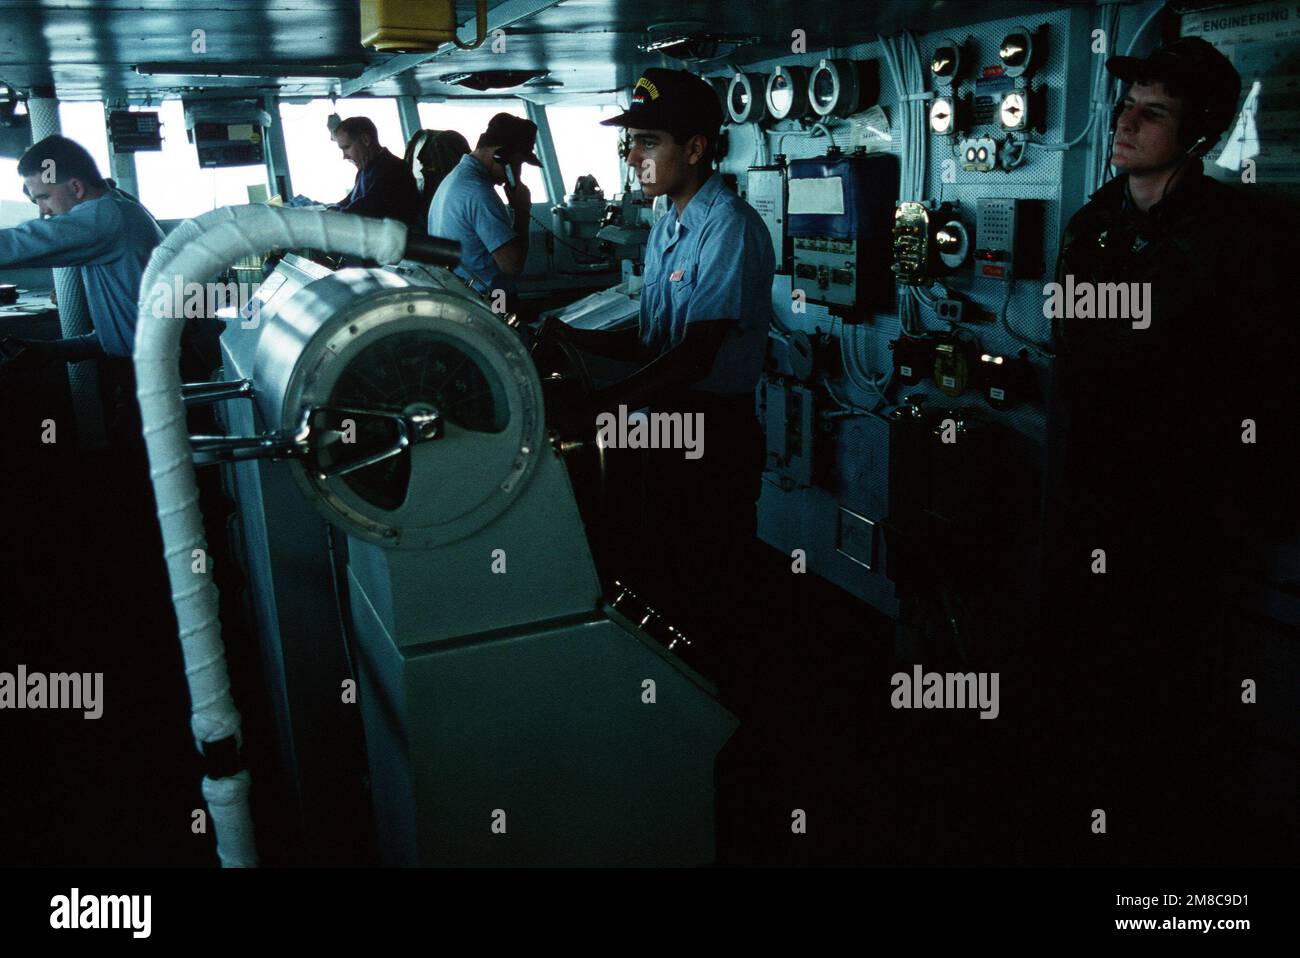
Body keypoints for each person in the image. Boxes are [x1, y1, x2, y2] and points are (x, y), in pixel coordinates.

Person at [1045, 36, 1289, 860]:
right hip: (1092, 489)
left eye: (1153, 113)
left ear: (1200, 134)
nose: (1126, 123)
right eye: (1125, 106)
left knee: (1172, 684)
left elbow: (1256, 371)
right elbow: (1079, 343)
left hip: (1182, 507)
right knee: (1089, 668)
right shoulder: (1092, 223)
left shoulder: (1241, 233)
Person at [535, 68, 775, 683]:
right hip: (663, 423)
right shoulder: (669, 222)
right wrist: (567, 335)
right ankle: (667, 695)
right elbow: (652, 342)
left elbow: (694, 357)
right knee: (659, 564)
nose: (632, 157)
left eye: (647, 141)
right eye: (630, 142)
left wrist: (599, 408)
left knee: (710, 573)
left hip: (711, 431)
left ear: (695, 148)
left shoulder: (730, 228)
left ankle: (729, 707)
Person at [0, 136, 164, 415]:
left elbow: (19, 244)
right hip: (147, 368)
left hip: (154, 377)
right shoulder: (120, 206)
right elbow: (120, 334)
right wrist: (49, 351)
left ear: (76, 187)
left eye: (43, 197)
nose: (43, 211)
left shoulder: (104, 217)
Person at [425, 113, 538, 305]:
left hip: (464, 295)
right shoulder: (479, 193)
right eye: (517, 163)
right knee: (509, 335)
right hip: (492, 301)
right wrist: (521, 211)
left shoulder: (455, 179)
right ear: (499, 155)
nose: (518, 173)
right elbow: (511, 265)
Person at [330, 116, 423, 231]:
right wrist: (328, 210)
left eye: (347, 147)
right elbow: (349, 201)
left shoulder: (394, 169)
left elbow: (364, 210)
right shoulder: (364, 170)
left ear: (365, 140)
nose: (344, 156)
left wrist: (330, 217)